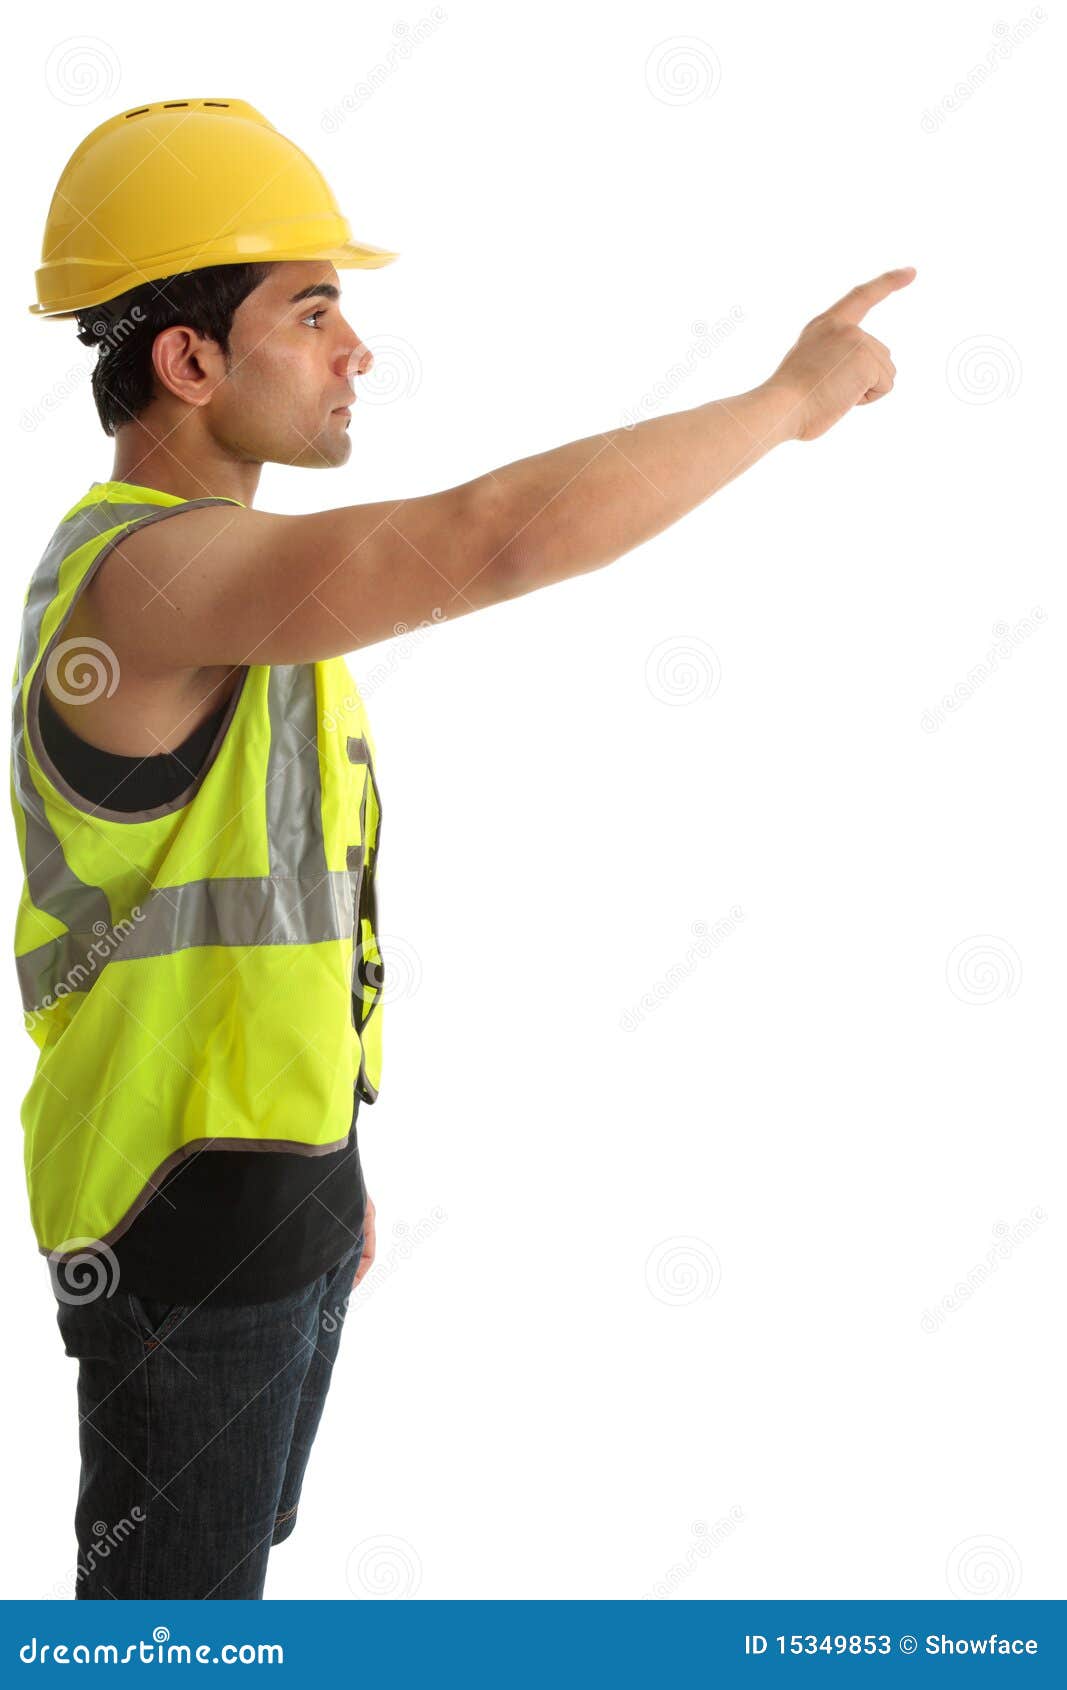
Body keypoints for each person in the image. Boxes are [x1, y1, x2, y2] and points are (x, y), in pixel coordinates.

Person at [12, 96, 914, 1600]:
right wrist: (789, 400)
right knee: (169, 1624)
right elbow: (490, 533)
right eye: (312, 311)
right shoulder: (149, 582)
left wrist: (329, 1158)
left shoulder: (238, 593)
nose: (354, 347)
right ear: (189, 361)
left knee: (223, 1578)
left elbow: (271, 916)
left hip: (268, 1192)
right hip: (183, 1224)